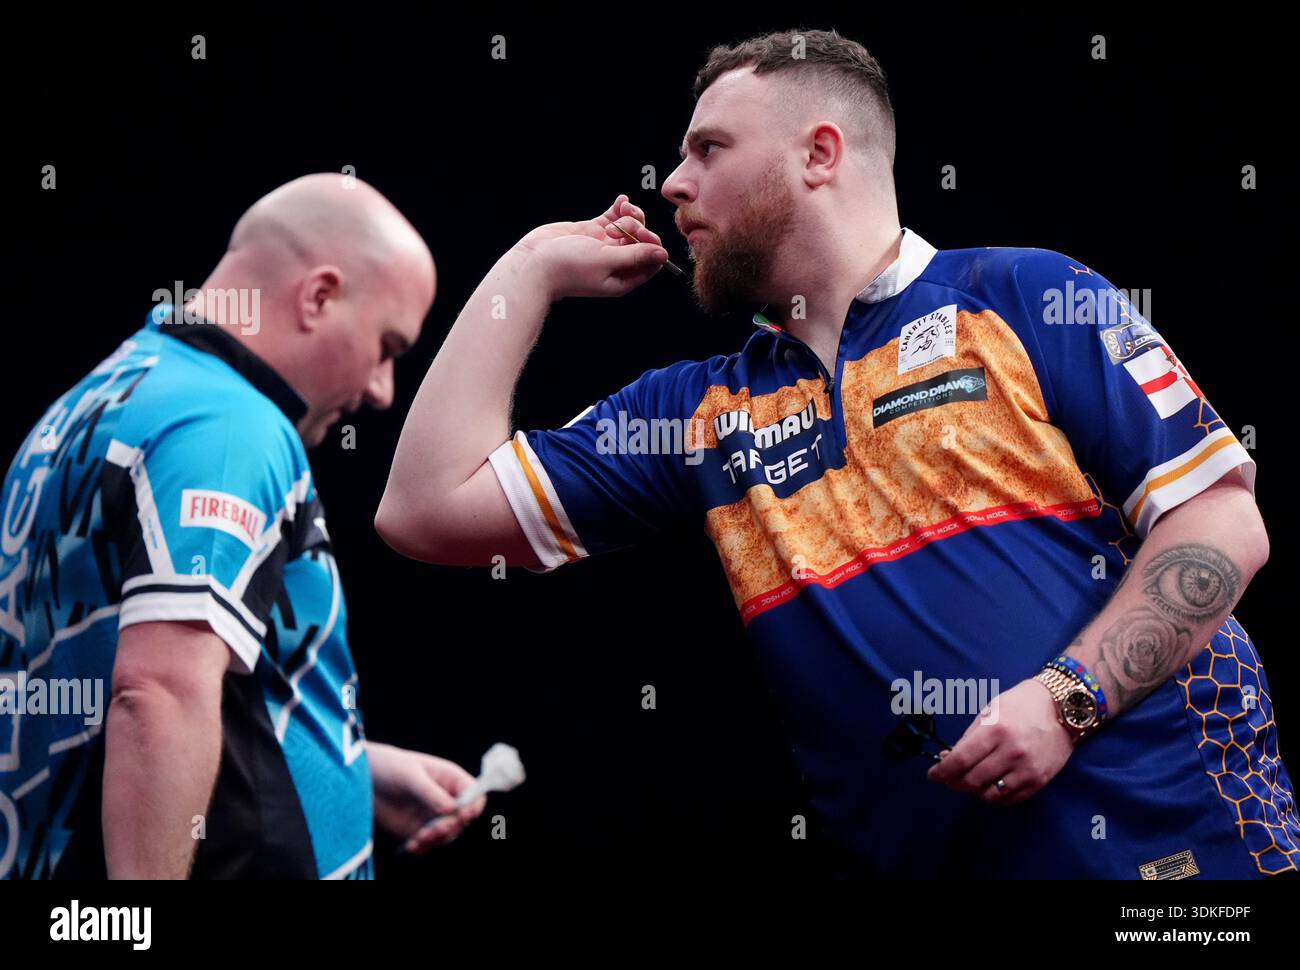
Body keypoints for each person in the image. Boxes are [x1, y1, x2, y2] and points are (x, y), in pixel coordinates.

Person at [376, 29, 1297, 878]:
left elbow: (1222, 519)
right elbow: (424, 511)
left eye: (710, 149)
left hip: (1179, 848)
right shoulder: (696, 412)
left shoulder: (1024, 294)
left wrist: (1068, 699)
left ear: (819, 154)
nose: (672, 182)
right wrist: (528, 269)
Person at [1, 174, 484, 879]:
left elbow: (101, 686)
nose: (382, 389)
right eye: (386, 345)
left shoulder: (89, 406)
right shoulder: (229, 427)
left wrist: (347, 767)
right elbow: (159, 694)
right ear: (319, 296)